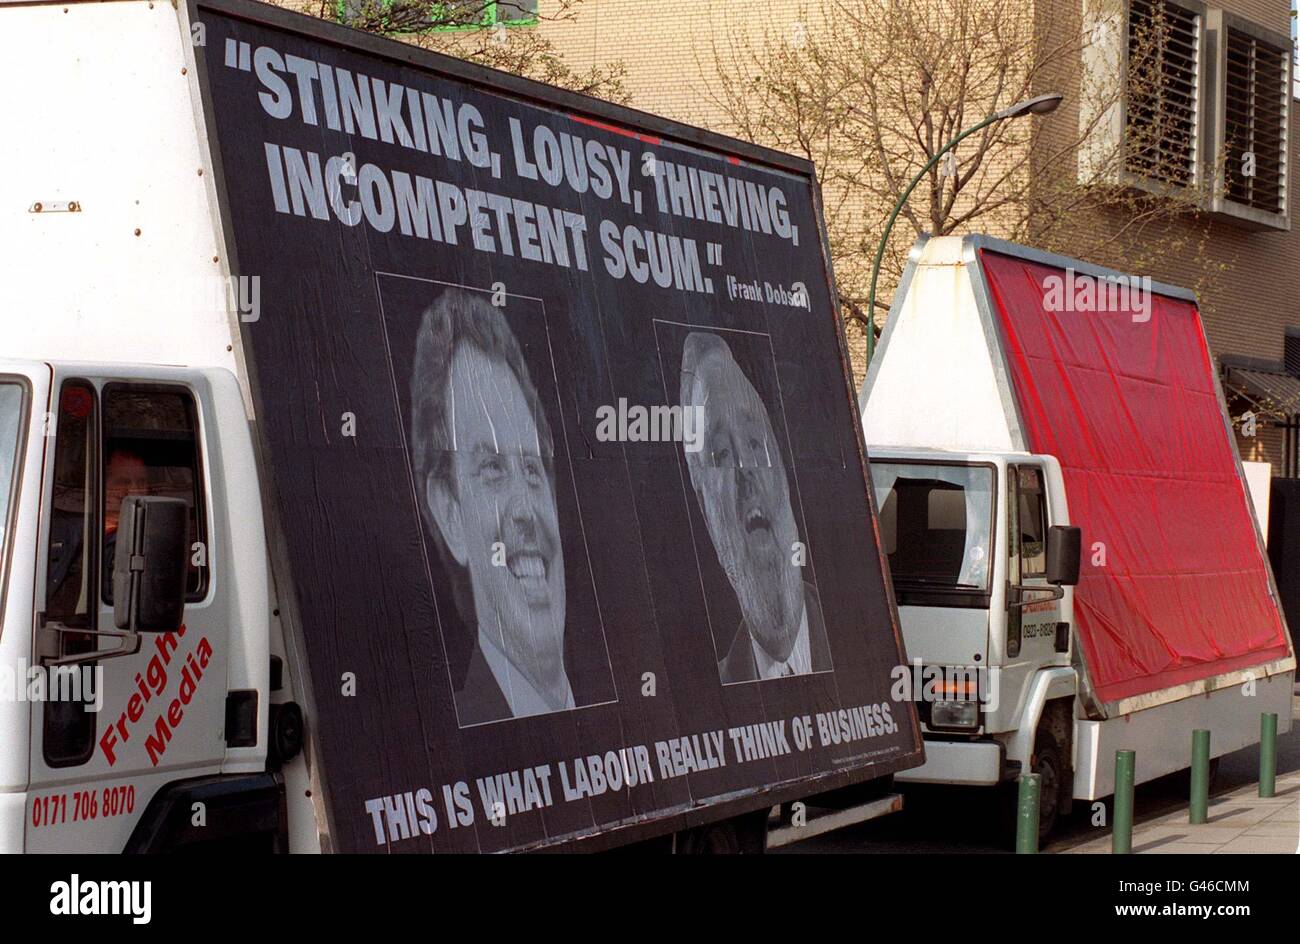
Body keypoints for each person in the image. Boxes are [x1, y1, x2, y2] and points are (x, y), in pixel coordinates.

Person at [409, 289, 571, 725]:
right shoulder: (462, 736)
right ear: (451, 514)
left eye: (533, 469)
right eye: (493, 469)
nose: (525, 509)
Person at [679, 331, 831, 683]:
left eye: (754, 442)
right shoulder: (711, 690)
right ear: (706, 511)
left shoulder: (856, 630)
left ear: (783, 470)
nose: (745, 470)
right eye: (721, 453)